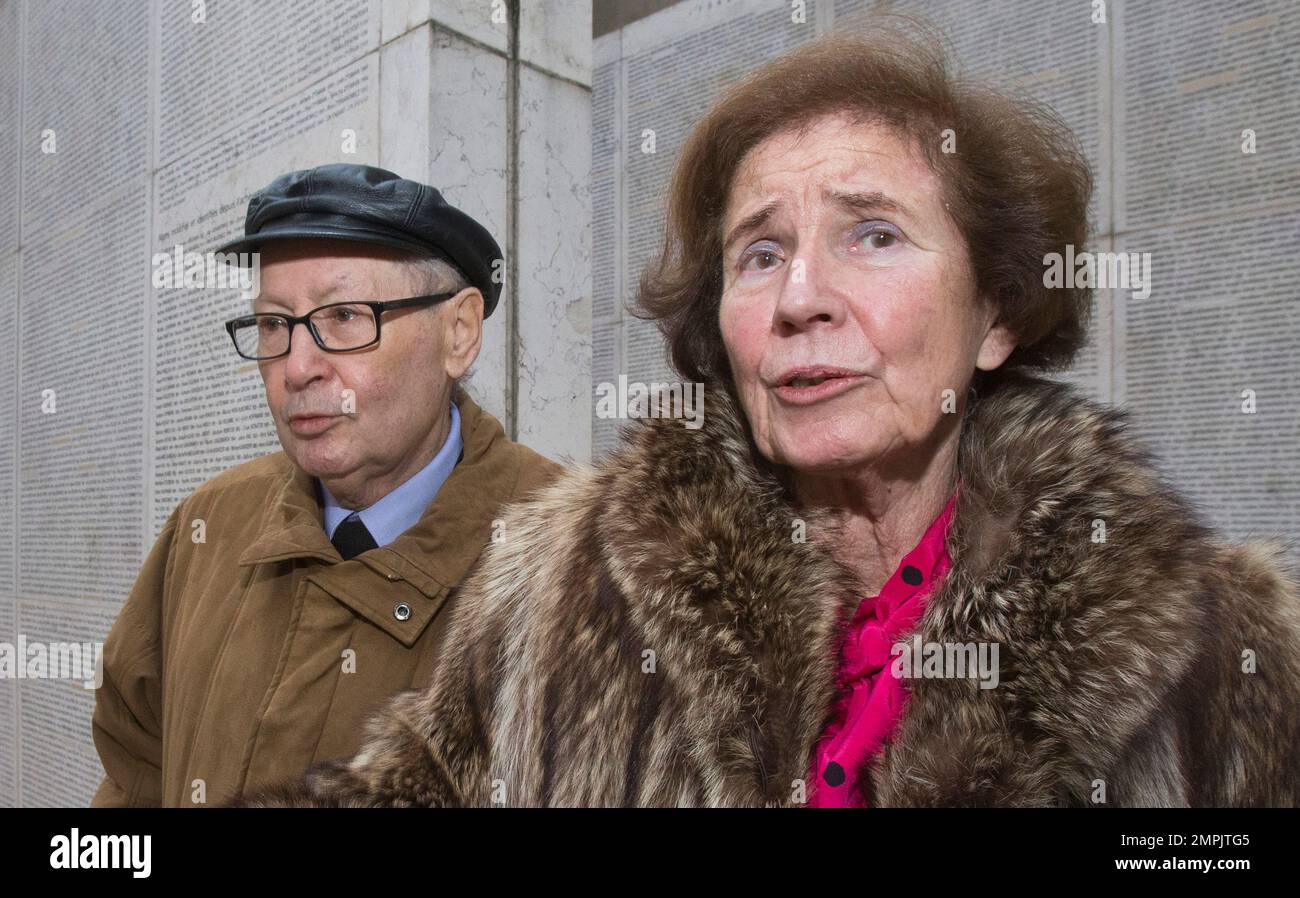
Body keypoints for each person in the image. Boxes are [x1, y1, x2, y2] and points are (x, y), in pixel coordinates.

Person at [237, 27, 1300, 808]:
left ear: (996, 313)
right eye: (758, 253)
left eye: (872, 235)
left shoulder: (1222, 654)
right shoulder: (563, 581)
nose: (800, 298)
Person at [91, 164, 561, 806]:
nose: (296, 367)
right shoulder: (207, 526)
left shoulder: (581, 564)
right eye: (274, 324)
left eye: (344, 316)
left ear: (459, 332)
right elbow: (133, 772)